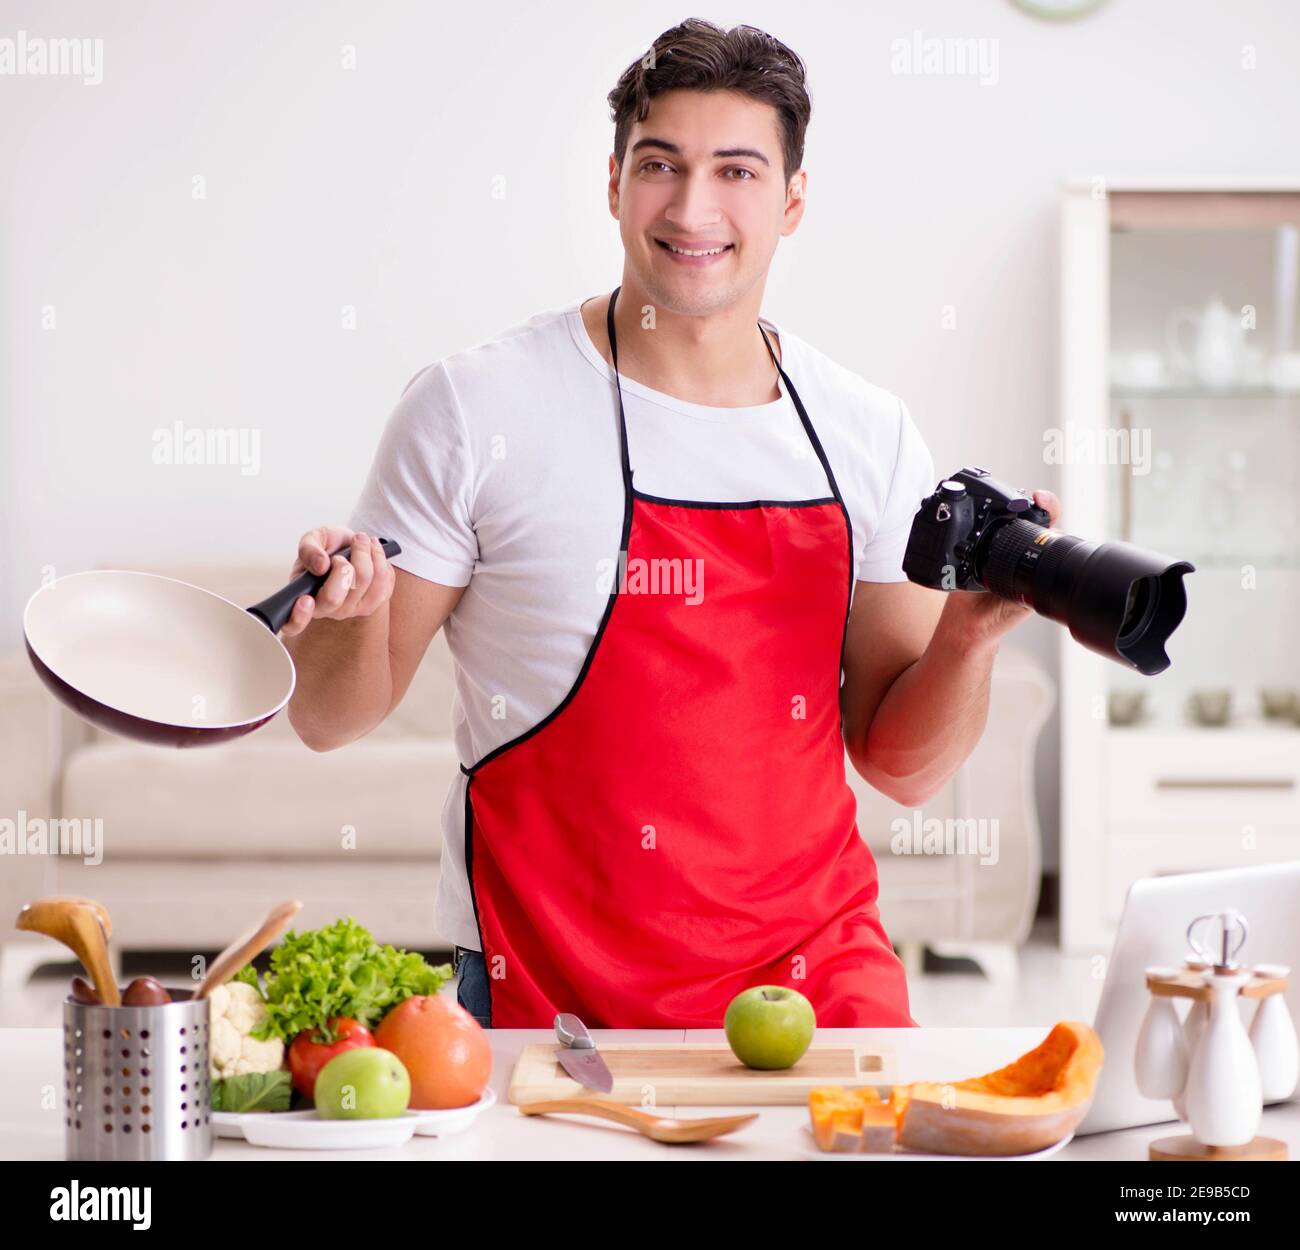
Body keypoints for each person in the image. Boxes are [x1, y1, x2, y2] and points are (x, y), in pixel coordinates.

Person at [281, 19, 1060, 1029]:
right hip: (551, 998)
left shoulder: (864, 431)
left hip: (817, 983)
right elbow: (328, 718)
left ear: (792, 200)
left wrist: (967, 639)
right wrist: (345, 620)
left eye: (736, 171)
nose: (693, 209)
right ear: (614, 184)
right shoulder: (476, 409)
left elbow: (901, 767)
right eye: (661, 165)